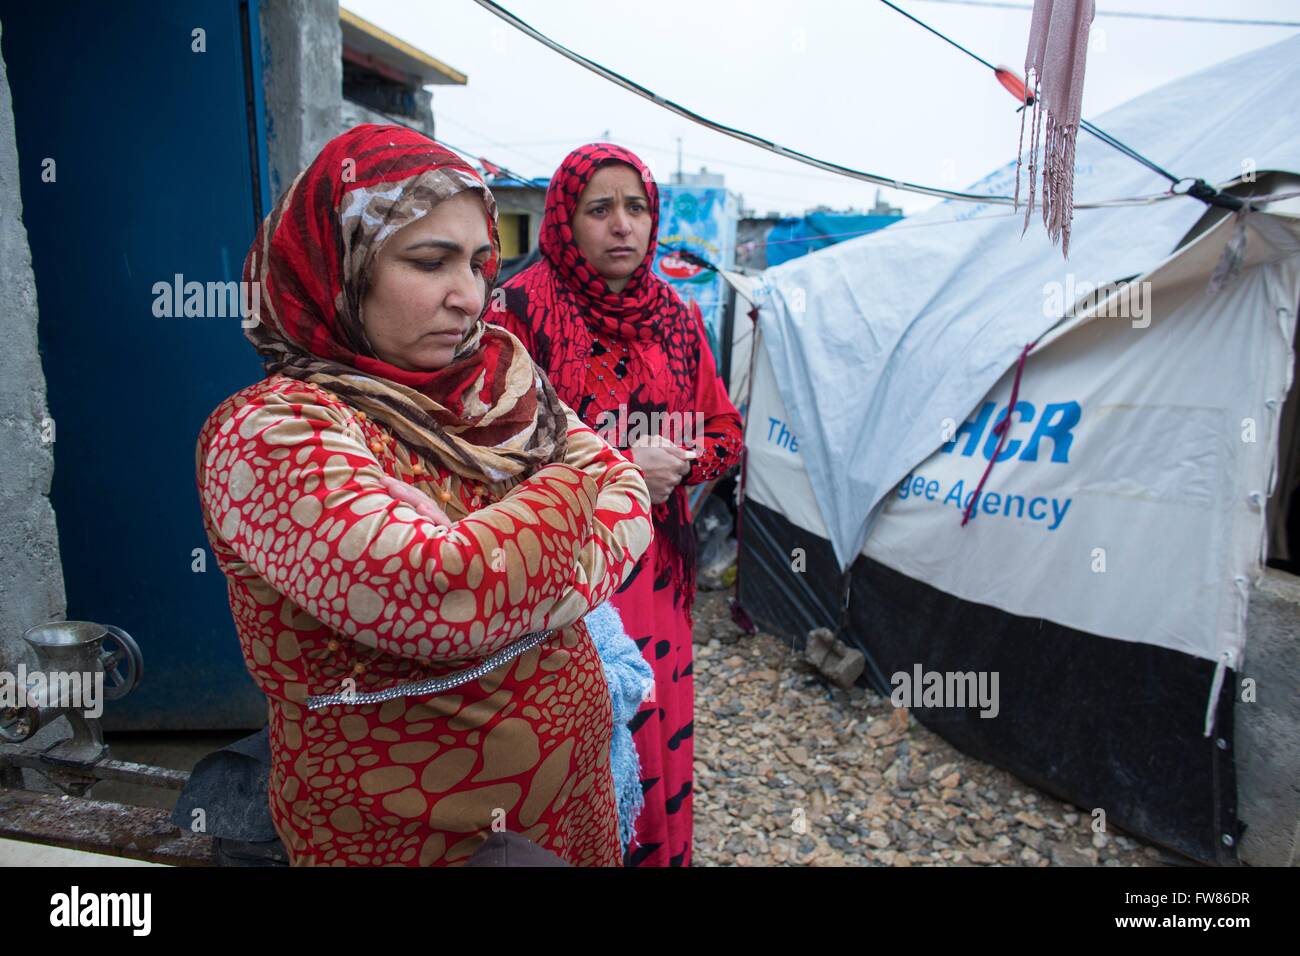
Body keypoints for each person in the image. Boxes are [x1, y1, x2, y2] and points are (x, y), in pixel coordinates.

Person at [195, 125, 653, 867]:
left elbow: (630, 500)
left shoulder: (495, 380)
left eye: (478, 263)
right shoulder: (271, 432)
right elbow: (445, 592)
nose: (469, 296)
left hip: (568, 813)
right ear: (340, 267)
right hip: (412, 839)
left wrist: (521, 552)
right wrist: (573, 493)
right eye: (430, 261)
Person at [495, 144, 744, 866]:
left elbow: (726, 433)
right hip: (560, 579)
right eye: (599, 208)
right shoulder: (515, 313)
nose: (621, 225)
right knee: (570, 741)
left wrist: (681, 460)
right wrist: (614, 467)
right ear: (564, 219)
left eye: (635, 207)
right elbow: (487, 454)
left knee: (650, 736)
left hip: (655, 576)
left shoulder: (678, 315)